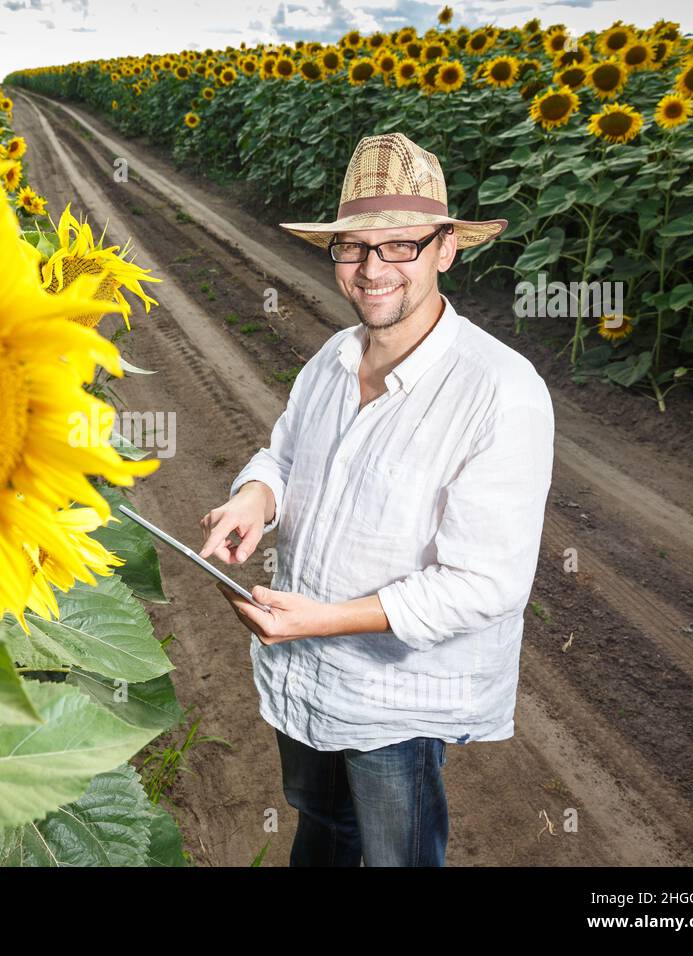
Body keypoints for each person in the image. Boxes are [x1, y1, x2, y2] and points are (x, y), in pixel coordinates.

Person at [198, 131, 554, 867]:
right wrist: (256, 500)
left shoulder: (501, 393)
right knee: (320, 823)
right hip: (306, 669)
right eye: (354, 248)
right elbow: (285, 454)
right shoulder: (334, 357)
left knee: (397, 855)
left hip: (393, 692)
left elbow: (486, 584)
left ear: (446, 248)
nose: (371, 269)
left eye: (399, 247)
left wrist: (325, 622)